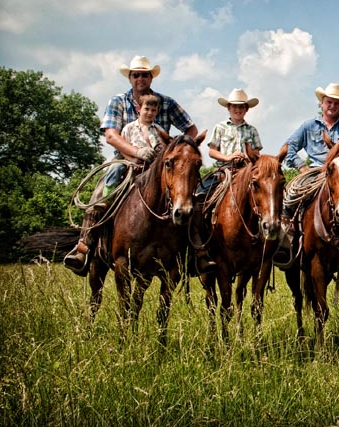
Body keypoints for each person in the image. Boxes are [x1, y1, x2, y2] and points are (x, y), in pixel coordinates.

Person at [64, 55, 207, 275]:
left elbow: (191, 130)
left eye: (144, 74)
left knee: (190, 197)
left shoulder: (166, 102)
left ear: (151, 77)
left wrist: (175, 151)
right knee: (100, 194)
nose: (140, 78)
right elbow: (111, 136)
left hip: (161, 166)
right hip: (126, 161)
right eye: (135, 74)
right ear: (130, 78)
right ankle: (84, 246)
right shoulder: (118, 101)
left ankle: (195, 252)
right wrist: (137, 152)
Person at [275, 83, 339, 267]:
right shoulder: (308, 126)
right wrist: (301, 167)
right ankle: (286, 241)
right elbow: (289, 148)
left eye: (337, 103)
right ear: (322, 103)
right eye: (329, 102)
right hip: (314, 171)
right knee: (289, 199)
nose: (333, 106)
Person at [196, 88, 263, 201]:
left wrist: (246, 156)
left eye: (241, 106)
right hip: (224, 170)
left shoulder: (252, 130)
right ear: (229, 108)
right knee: (200, 194)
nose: (238, 109)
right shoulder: (220, 127)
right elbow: (212, 151)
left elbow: (256, 153)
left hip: (246, 170)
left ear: (246, 109)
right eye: (234, 106)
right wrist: (228, 157)